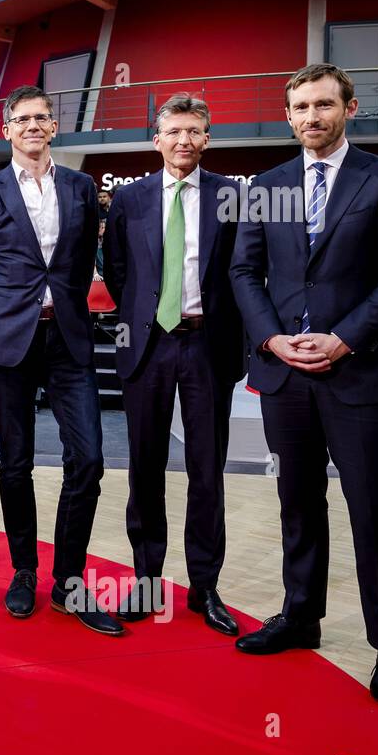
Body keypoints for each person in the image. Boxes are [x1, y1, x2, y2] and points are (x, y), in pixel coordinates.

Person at [230, 63, 378, 705]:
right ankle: (302, 616)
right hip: (285, 374)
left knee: (374, 511)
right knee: (298, 503)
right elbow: (244, 273)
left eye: (322, 105)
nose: (310, 117)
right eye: (299, 108)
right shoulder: (265, 185)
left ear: (350, 107)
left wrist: (344, 337)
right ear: (287, 115)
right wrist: (273, 339)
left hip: (360, 370)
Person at [0, 85, 122, 635]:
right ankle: (24, 570)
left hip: (69, 342)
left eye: (42, 118)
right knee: (15, 463)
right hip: (10, 343)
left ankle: (69, 582)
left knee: (90, 459)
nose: (33, 125)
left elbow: (79, 265)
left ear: (53, 126)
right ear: (6, 129)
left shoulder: (80, 186)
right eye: (22, 119)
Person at [103, 95, 244, 634]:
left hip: (209, 345)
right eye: (173, 131)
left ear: (208, 138)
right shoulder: (130, 199)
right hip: (148, 347)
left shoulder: (233, 196)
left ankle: (204, 587)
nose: (184, 140)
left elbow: (244, 273)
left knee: (207, 472)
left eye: (194, 131)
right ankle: (146, 580)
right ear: (155, 138)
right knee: (145, 469)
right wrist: (147, 318)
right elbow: (118, 272)